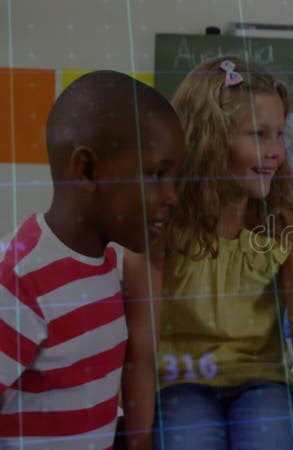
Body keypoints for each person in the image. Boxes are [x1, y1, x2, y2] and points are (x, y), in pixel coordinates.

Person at [124, 56, 293, 450]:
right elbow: (141, 348)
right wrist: (138, 442)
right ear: (209, 139)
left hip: (263, 385)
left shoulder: (289, 231)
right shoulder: (157, 231)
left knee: (270, 437)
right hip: (179, 384)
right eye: (258, 135)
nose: (275, 151)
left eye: (279, 134)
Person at [0, 71, 185, 449]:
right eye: (156, 175)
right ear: (86, 170)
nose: (172, 197)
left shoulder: (102, 264)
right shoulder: (18, 280)